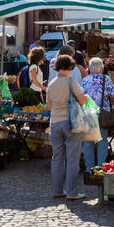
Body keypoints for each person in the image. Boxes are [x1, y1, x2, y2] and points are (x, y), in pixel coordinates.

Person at [47, 55, 89, 200]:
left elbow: (49, 106)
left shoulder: (51, 83)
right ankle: (72, 192)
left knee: (57, 158)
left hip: (55, 123)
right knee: (72, 159)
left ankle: (57, 190)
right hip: (71, 123)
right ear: (70, 67)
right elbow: (83, 101)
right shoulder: (72, 81)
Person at [80, 57, 114, 169]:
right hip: (102, 114)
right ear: (101, 68)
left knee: (88, 142)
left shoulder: (85, 80)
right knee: (102, 140)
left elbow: (80, 97)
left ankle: (89, 168)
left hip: (88, 113)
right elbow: (113, 95)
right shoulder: (106, 79)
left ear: (89, 69)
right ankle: (101, 166)